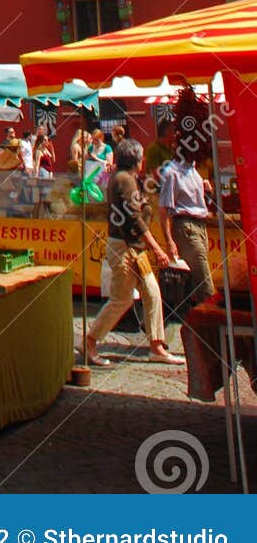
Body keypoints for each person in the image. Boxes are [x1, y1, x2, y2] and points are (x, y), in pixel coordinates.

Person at [86, 138, 182, 366]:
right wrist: (158, 248)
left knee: (152, 292)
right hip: (125, 248)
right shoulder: (124, 180)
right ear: (136, 159)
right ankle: (90, 341)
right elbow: (135, 220)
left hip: (135, 250)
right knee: (121, 299)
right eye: (142, 158)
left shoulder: (128, 179)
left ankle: (156, 346)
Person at [158, 134, 215, 312]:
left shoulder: (194, 170)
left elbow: (202, 204)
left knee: (196, 282)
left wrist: (208, 193)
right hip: (186, 227)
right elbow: (164, 209)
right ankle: (212, 329)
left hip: (199, 226)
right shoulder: (171, 173)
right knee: (205, 283)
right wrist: (169, 240)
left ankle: (198, 325)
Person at [144, 117, 176, 183]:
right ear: (167, 132)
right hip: (159, 191)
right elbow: (156, 177)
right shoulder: (153, 149)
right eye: (174, 131)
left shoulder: (172, 149)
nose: (176, 134)